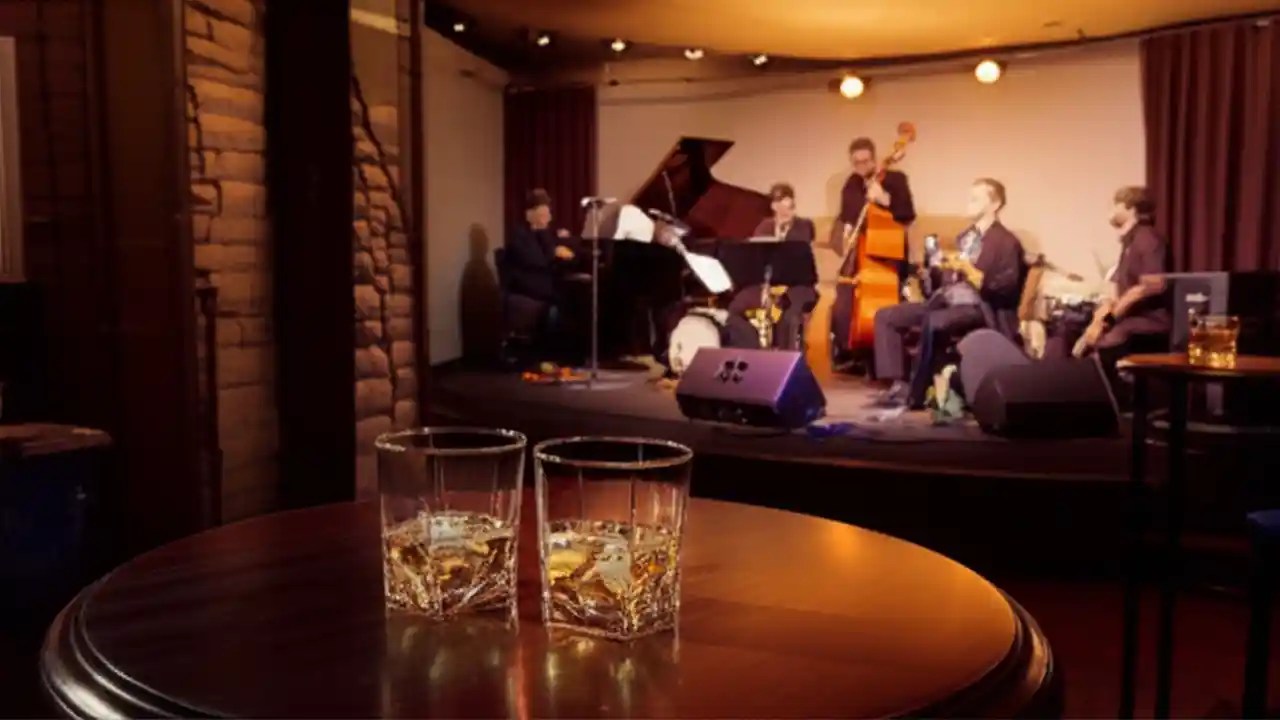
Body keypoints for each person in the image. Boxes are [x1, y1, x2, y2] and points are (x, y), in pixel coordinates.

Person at [873, 178, 1026, 409]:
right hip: (948, 300)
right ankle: (898, 384)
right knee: (886, 317)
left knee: (934, 322)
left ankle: (917, 391)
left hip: (980, 307)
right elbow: (948, 280)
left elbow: (1006, 287)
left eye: (976, 198)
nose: (969, 202)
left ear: (994, 205)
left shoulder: (1006, 242)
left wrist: (969, 271)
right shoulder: (966, 237)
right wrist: (935, 271)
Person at [1074, 186, 1170, 401]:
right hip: (1129, 318)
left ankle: (1116, 406)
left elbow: (1152, 285)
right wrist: (1096, 323)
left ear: (1130, 208)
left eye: (1115, 204)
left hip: (1151, 320)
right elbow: (1116, 291)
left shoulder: (1147, 238)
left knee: (1109, 341)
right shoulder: (1129, 242)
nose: (1110, 210)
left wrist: (1109, 320)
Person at [830, 137, 918, 365]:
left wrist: (884, 198)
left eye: (865, 161)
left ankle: (886, 358)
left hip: (889, 255)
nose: (861, 167)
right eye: (856, 162)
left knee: (889, 303)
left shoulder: (896, 179)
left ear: (875, 157)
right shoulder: (851, 183)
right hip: (860, 255)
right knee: (843, 299)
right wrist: (847, 234)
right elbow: (848, 218)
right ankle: (851, 354)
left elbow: (907, 215)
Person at [724, 183, 819, 349]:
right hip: (765, 284)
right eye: (780, 206)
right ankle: (752, 351)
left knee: (789, 315)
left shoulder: (804, 225)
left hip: (796, 286)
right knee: (736, 308)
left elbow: (799, 256)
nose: (786, 211)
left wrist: (782, 232)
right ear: (773, 207)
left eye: (789, 206)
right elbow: (756, 260)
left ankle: (786, 358)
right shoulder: (764, 227)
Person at [501, 189, 576, 359]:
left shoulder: (540, 234)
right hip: (524, 287)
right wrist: (546, 238)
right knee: (557, 305)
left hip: (541, 285)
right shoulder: (519, 234)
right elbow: (539, 261)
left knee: (571, 300)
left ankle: (565, 354)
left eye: (548, 213)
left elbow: (549, 256)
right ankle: (547, 354)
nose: (548, 218)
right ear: (530, 213)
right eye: (543, 213)